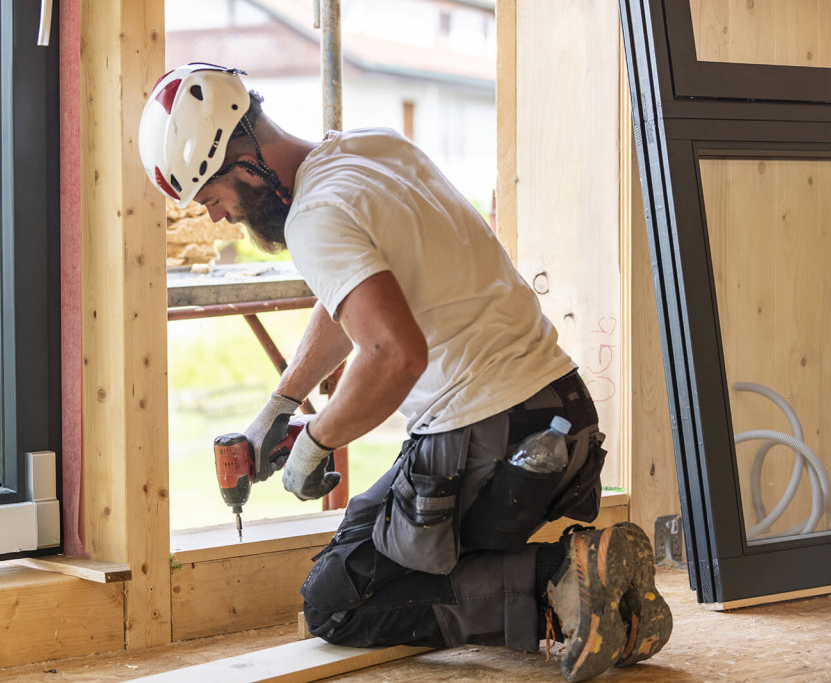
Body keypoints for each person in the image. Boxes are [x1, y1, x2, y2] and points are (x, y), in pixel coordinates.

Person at [139, 63, 672, 682]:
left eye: (212, 198)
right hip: (559, 410)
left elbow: (394, 353)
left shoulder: (314, 216)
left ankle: (563, 581)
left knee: (336, 603)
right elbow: (356, 300)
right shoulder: (373, 148)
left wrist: (317, 441)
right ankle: (620, 605)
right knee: (360, 537)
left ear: (245, 165)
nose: (217, 218)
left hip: (487, 434)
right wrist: (283, 404)